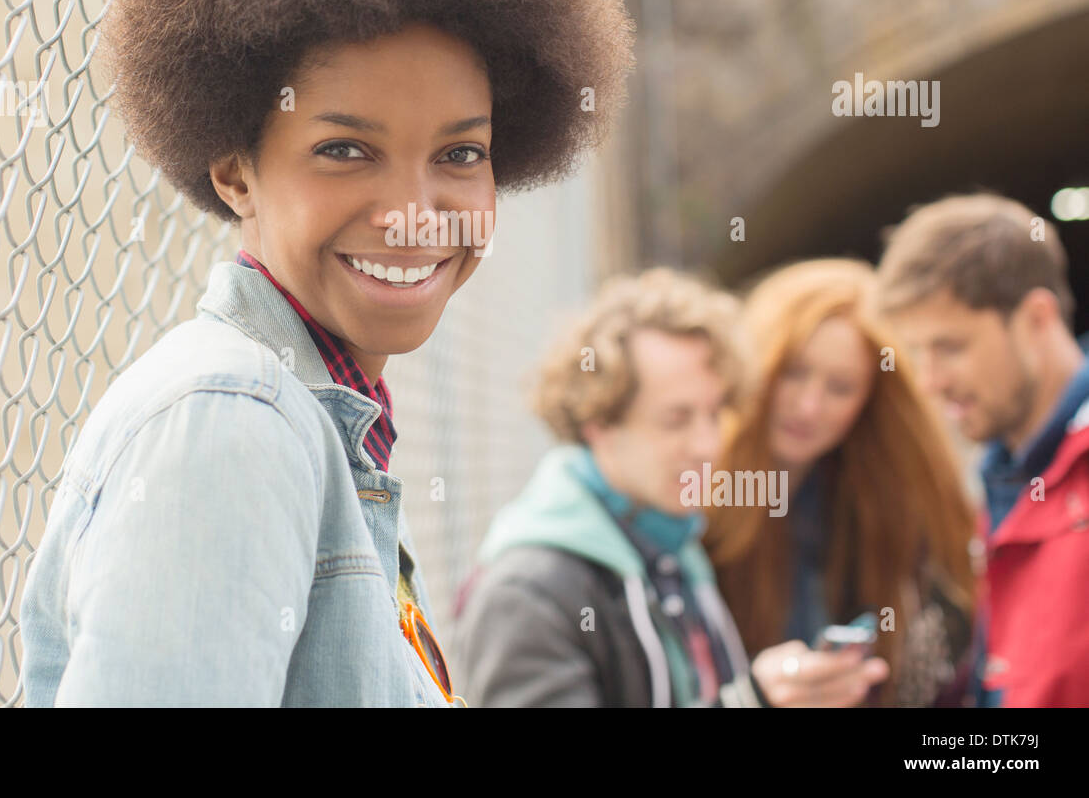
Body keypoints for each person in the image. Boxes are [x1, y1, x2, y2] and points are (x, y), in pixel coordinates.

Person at [19, 0, 635, 706]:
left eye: (460, 153)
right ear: (235, 172)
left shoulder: (325, 417)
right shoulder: (234, 422)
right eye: (345, 149)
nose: (416, 214)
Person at [452, 267, 889, 707]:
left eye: (715, 414)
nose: (708, 446)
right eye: (675, 420)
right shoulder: (528, 595)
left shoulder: (671, 548)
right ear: (599, 422)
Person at [702, 259, 977, 707]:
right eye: (793, 372)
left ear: (870, 398)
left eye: (841, 387)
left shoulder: (891, 508)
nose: (809, 407)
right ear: (754, 366)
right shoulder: (689, 498)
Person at [876, 193, 1089, 707]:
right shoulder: (994, 481)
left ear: (1036, 318)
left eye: (950, 347)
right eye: (918, 352)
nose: (928, 382)